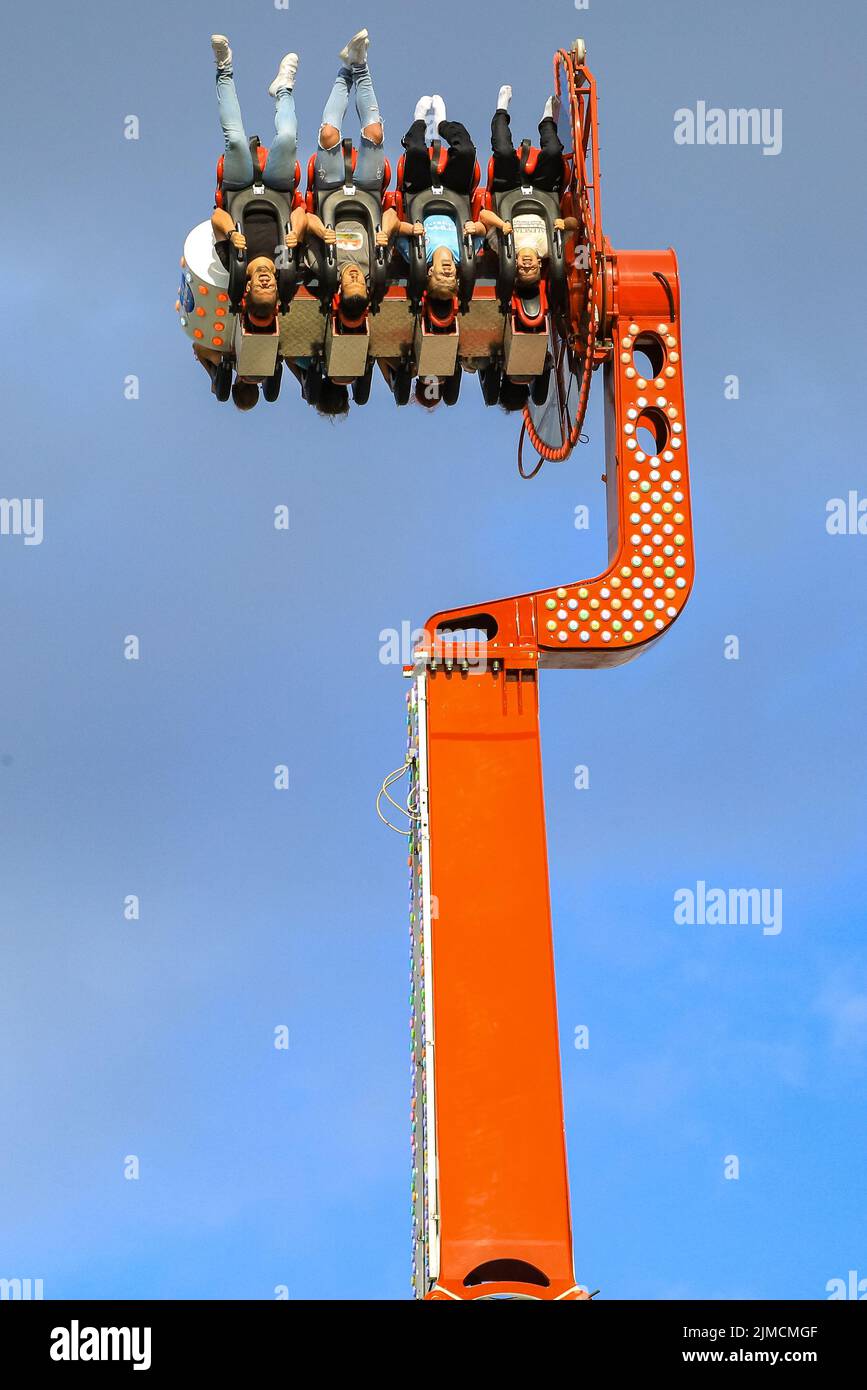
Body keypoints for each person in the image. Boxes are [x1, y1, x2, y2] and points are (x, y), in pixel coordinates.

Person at [209, 35, 306, 329]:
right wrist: (297, 232)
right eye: (271, 288)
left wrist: (229, 231)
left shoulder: (233, 262)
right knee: (288, 139)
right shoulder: (286, 264)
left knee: (236, 142)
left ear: (248, 288)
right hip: (278, 190)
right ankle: (283, 90)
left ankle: (224, 69)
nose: (266, 282)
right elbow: (301, 213)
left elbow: (217, 216)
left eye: (260, 288)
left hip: (239, 190)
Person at [298, 29, 389, 324]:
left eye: (349, 283)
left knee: (328, 135)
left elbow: (305, 219)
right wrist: (384, 230)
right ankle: (359, 65)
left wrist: (321, 231)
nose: (353, 277)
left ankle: (343, 73)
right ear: (365, 285)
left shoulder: (323, 264)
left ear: (340, 287)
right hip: (368, 195)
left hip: (330, 193)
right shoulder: (375, 266)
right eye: (358, 282)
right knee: (374, 133)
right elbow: (393, 219)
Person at [479, 85, 580, 293]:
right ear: (539, 264)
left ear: (515, 266)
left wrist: (501, 224)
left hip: (508, 191)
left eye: (523, 270)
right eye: (531, 269)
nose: (527, 266)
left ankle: (501, 109)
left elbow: (483, 215)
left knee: (504, 152)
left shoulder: (503, 248)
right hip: (543, 193)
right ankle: (547, 121)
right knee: (553, 153)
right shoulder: (548, 249)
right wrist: (563, 222)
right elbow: (574, 224)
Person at [391, 96, 484, 304]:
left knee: (416, 150)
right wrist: (474, 228)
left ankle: (419, 121)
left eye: (441, 276)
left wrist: (410, 230)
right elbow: (484, 231)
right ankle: (443, 124)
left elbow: (394, 231)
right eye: (451, 277)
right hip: (455, 193)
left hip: (419, 192)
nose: (448, 272)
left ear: (430, 271)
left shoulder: (416, 254)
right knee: (467, 152)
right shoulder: (463, 253)